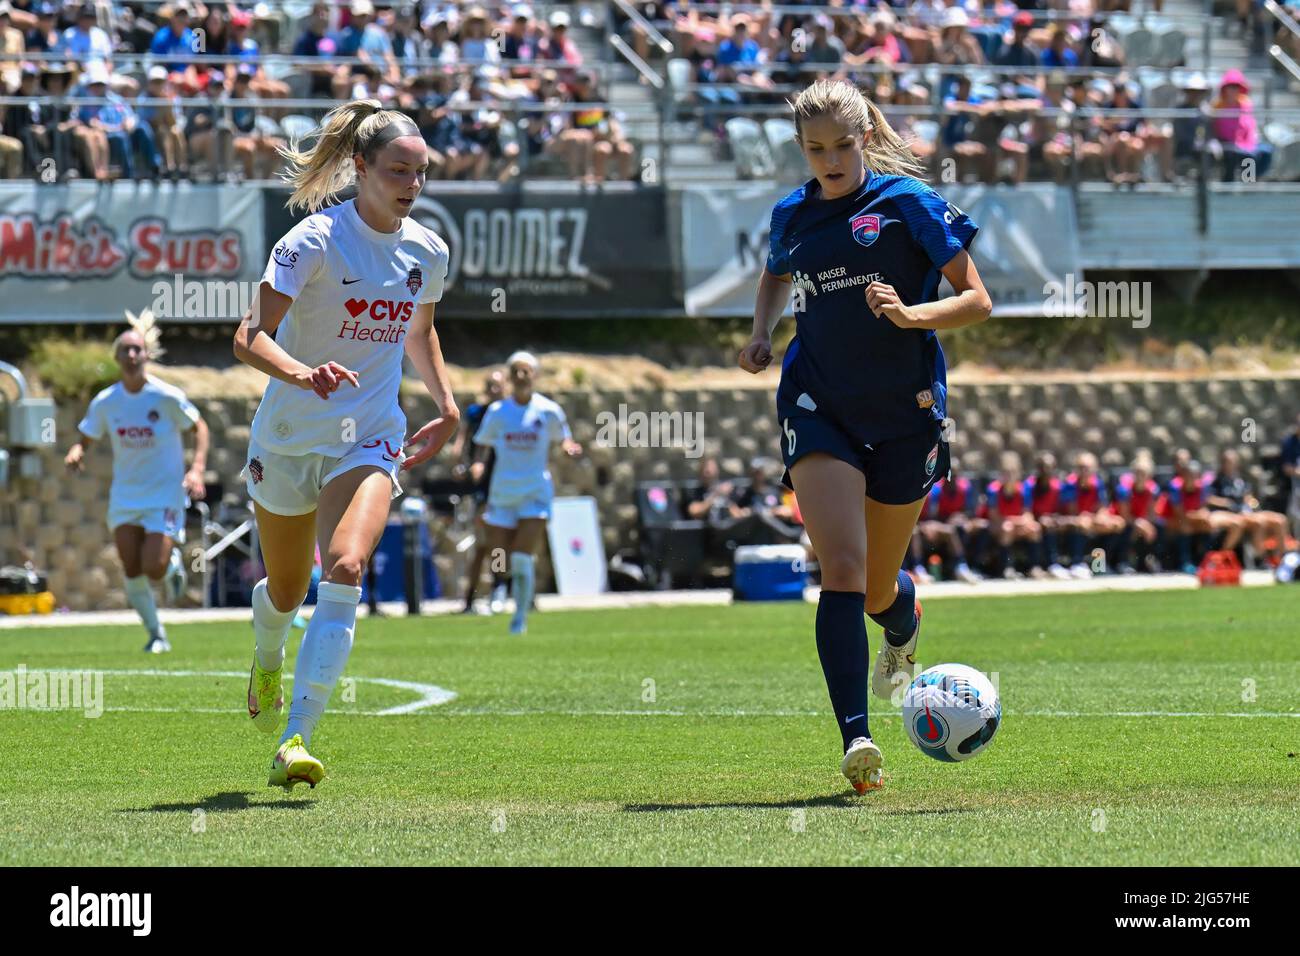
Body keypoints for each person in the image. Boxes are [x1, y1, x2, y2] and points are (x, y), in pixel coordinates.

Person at [738, 79, 991, 793]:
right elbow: (774, 275)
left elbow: (977, 300)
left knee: (879, 588)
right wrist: (762, 332)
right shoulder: (792, 212)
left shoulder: (906, 204)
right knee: (841, 572)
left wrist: (912, 316)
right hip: (818, 401)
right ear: (801, 150)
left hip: (906, 411)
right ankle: (857, 738)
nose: (830, 160)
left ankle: (902, 624)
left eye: (842, 145)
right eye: (815, 149)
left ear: (867, 138)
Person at [231, 100, 457, 789]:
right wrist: (304, 373)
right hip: (291, 437)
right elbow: (247, 336)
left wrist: (447, 407)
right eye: (397, 171)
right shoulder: (313, 241)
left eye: (420, 173)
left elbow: (418, 334)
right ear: (359, 167)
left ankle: (294, 739)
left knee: (349, 567)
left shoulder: (428, 250)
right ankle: (267, 654)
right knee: (287, 587)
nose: (410, 185)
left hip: (370, 439)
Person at [64, 313, 209, 653]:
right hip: (126, 497)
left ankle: (171, 565)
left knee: (154, 568)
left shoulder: (166, 397)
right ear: (116, 358)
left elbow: (199, 426)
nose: (131, 356)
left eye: (137, 350)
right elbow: (87, 435)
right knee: (131, 567)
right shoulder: (106, 402)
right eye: (125, 351)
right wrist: (76, 450)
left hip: (165, 496)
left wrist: (197, 468)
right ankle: (156, 634)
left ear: (146, 356)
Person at [471, 351, 583, 635]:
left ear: (535, 376)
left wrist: (568, 447)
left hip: (534, 491)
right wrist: (478, 464)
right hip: (503, 491)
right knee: (499, 555)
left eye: (526, 371)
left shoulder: (548, 410)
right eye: (516, 372)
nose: (521, 376)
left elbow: (563, 437)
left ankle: (520, 616)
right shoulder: (498, 412)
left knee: (522, 556)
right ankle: (500, 584)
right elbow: (483, 443)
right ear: (509, 377)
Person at [446, 368, 506, 613]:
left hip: (505, 484)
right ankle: (473, 598)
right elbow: (463, 440)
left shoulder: (509, 413)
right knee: (483, 544)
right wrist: (460, 461)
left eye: (497, 386)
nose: (493, 390)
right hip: (482, 487)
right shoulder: (476, 413)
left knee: (500, 545)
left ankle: (500, 589)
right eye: (490, 385)